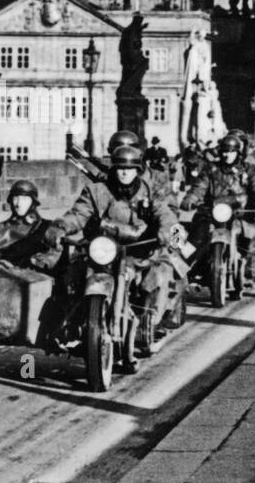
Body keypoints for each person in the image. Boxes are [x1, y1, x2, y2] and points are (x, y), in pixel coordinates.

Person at [46, 142, 182, 351]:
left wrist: (165, 231)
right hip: (104, 251)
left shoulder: (149, 192)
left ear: (137, 170)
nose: (124, 174)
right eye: (120, 169)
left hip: (139, 250)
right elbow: (79, 214)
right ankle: (73, 326)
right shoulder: (97, 191)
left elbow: (165, 214)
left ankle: (148, 320)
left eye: (129, 169)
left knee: (156, 276)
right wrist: (60, 226)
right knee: (70, 275)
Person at [181, 133, 255, 266]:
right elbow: (199, 187)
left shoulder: (249, 169)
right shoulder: (211, 169)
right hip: (213, 213)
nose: (227, 155)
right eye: (224, 151)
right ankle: (187, 268)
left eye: (231, 152)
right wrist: (190, 199)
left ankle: (250, 263)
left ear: (237, 152)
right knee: (195, 238)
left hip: (241, 213)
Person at [0, 179, 59, 274]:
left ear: (33, 203)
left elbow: (58, 252)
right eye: (16, 198)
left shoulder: (45, 227)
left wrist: (38, 261)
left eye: (24, 199)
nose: (18, 204)